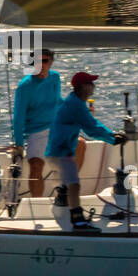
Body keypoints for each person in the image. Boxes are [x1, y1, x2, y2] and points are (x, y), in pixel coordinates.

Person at [46, 72, 124, 231]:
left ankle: (72, 214)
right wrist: (113, 139)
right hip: (61, 152)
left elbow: (91, 123)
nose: (93, 86)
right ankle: (79, 222)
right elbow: (92, 128)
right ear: (82, 86)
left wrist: (111, 134)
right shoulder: (76, 105)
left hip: (57, 150)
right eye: (90, 83)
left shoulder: (74, 101)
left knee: (70, 186)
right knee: (74, 185)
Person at [11, 48, 60, 197]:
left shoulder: (55, 77)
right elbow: (18, 116)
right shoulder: (25, 86)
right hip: (36, 131)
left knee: (80, 145)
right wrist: (19, 143)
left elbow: (58, 101)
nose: (41, 65)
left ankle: (65, 193)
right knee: (36, 165)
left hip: (56, 127)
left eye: (45, 61)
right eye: (37, 61)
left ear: (51, 62)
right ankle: (38, 203)